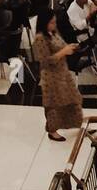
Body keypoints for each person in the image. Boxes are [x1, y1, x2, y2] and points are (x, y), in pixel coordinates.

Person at [33, 11, 84, 142]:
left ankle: (75, 124)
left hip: (62, 72)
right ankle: (52, 130)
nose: (54, 25)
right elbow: (45, 61)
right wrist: (63, 52)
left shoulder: (54, 33)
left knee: (73, 98)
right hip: (51, 77)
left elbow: (60, 48)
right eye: (51, 22)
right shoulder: (40, 38)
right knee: (55, 104)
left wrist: (70, 48)